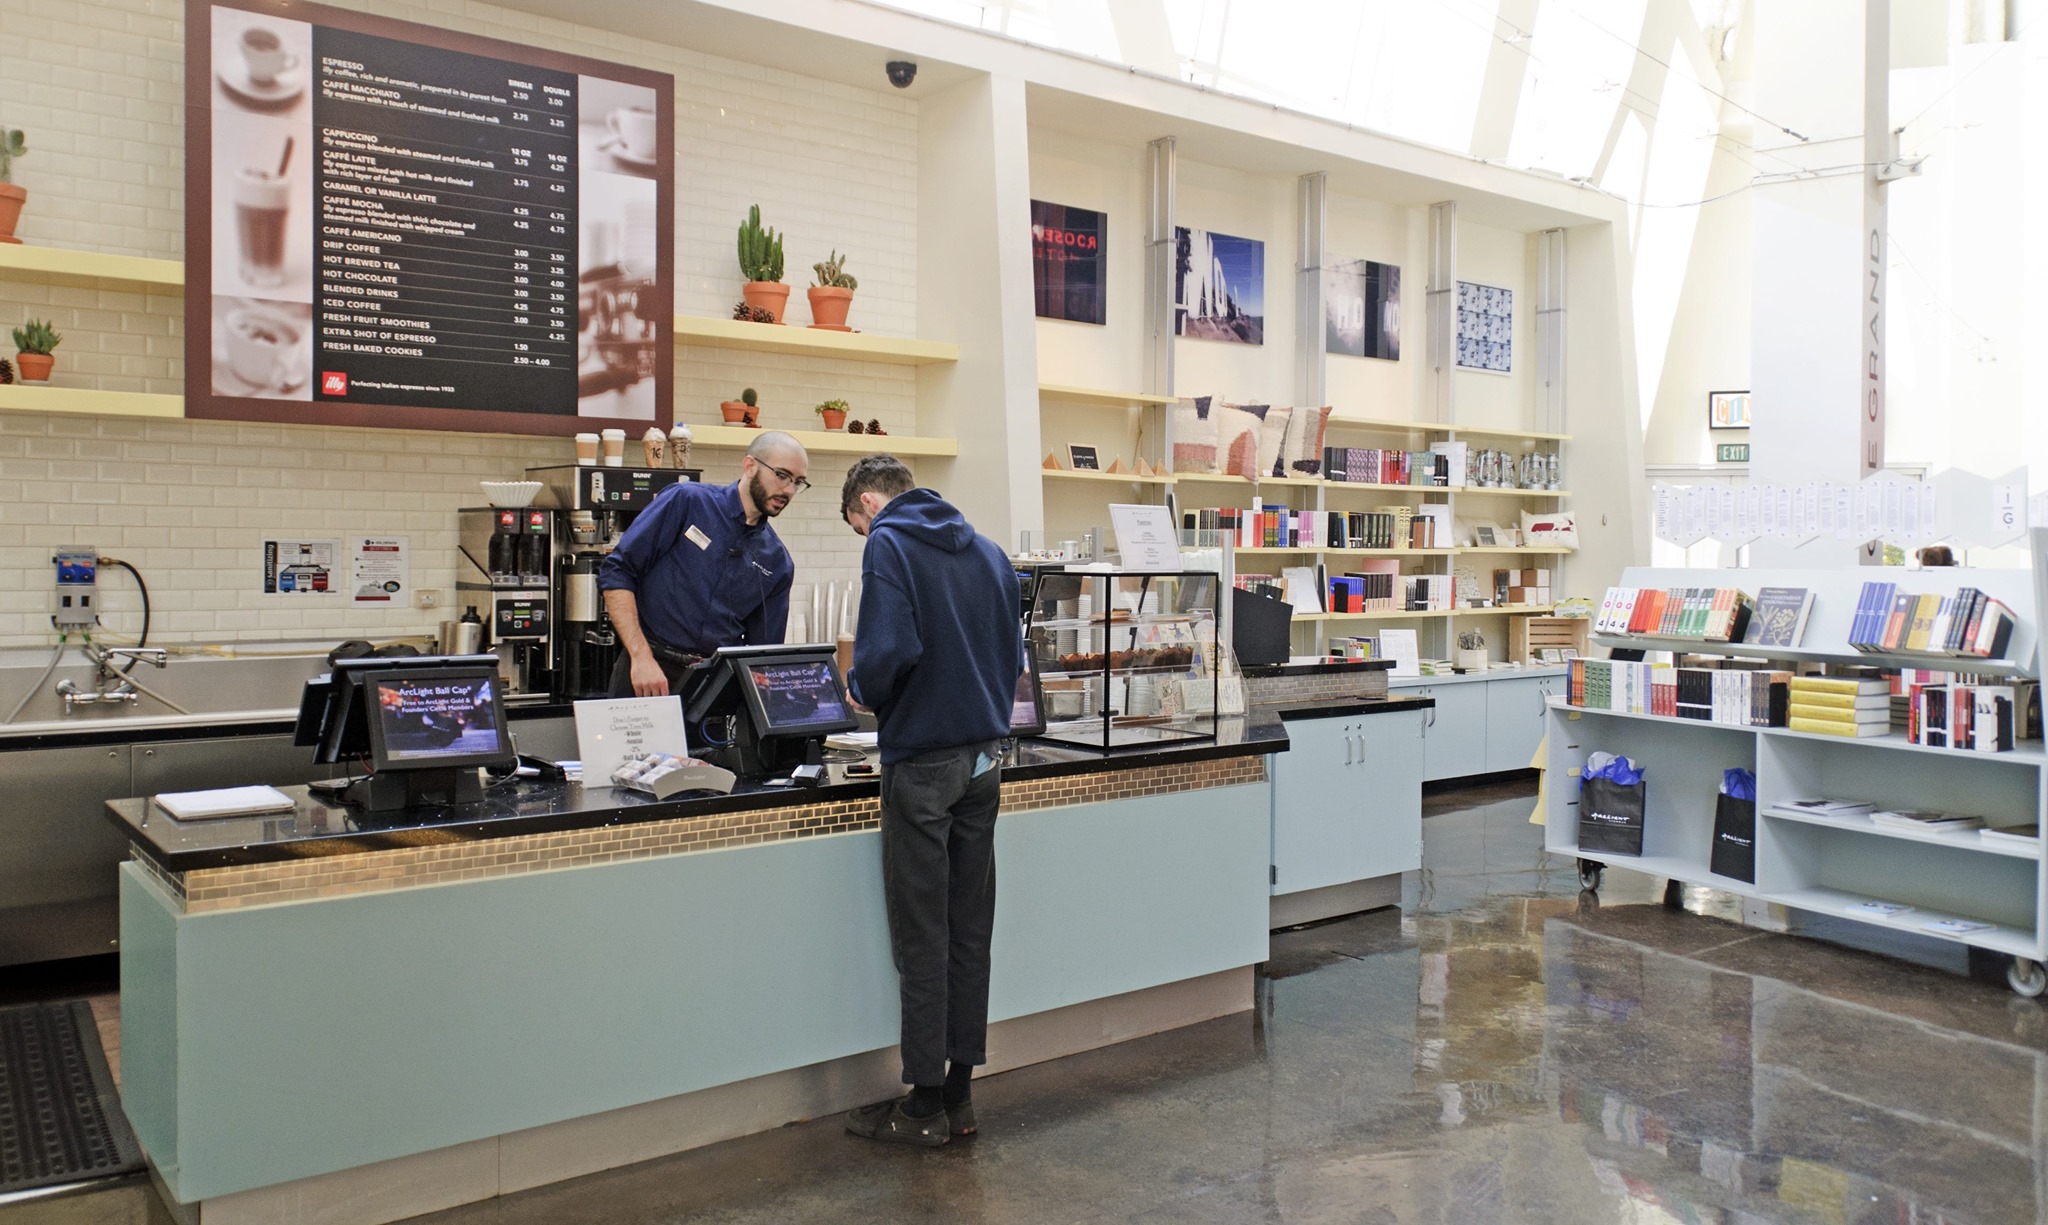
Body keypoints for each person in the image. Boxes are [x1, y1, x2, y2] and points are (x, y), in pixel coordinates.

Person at [836, 455, 1022, 1148]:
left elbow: (887, 653)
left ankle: (921, 1107)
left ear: (872, 502)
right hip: (984, 762)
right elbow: (1012, 655)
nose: (864, 534)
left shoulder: (890, 542)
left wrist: (862, 685)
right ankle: (960, 1094)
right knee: (970, 930)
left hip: (921, 766)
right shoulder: (988, 550)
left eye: (858, 522)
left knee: (923, 934)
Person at [598, 432, 807, 697]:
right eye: (781, 475)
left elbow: (760, 658)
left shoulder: (777, 562)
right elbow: (617, 572)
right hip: (646, 671)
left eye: (798, 482)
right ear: (750, 465)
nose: (788, 490)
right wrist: (640, 657)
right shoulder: (686, 501)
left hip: (712, 687)